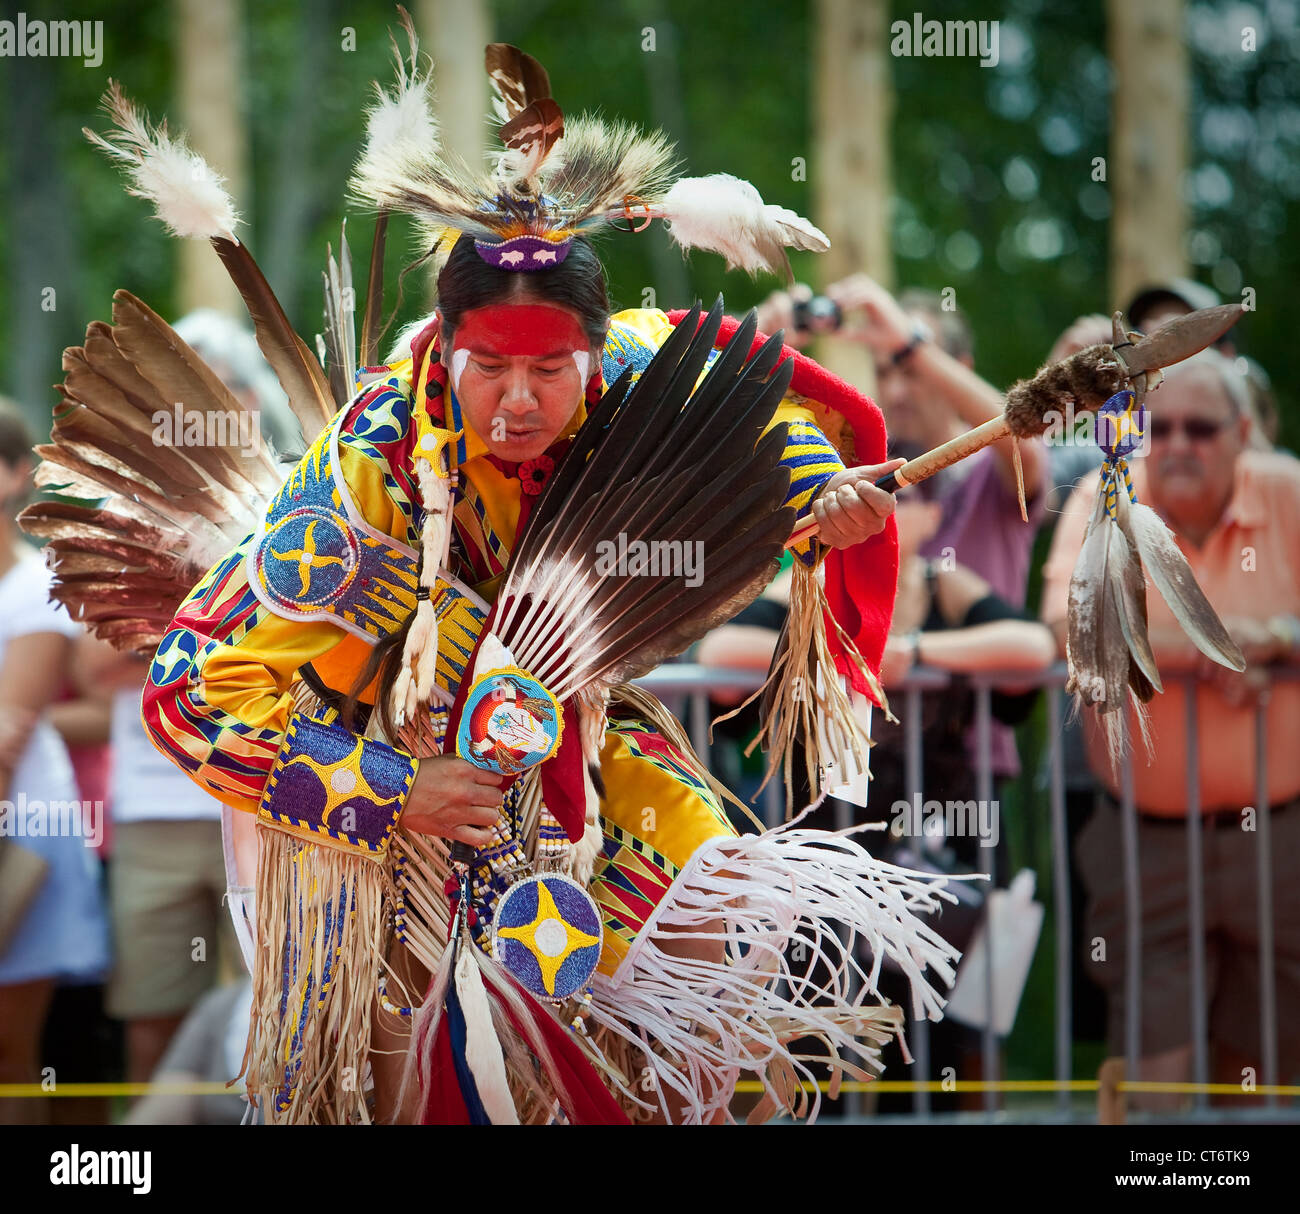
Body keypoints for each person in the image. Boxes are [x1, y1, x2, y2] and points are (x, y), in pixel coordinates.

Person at [50, 34, 960, 1125]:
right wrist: (390, 793)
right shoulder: (365, 472)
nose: (519, 400)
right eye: (491, 368)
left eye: (546, 369)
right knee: (428, 1066)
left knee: (715, 958)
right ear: (448, 350)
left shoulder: (633, 364)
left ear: (593, 349)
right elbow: (190, 691)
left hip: (571, 737)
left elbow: (764, 420)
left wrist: (818, 509)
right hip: (387, 763)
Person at [1041, 348, 1300, 1101]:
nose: (1179, 444)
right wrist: (1216, 645)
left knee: (1271, 1067)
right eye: (1163, 427)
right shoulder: (1104, 494)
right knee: (1153, 1073)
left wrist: (1280, 636)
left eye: (1202, 428)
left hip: (1281, 842)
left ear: (1243, 431)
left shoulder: (1287, 491)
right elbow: (1064, 624)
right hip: (1142, 842)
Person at [0, 400, 111, 1125]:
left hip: (21, 838)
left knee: (10, 1052)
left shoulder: (30, 585)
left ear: (12, 476)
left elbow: (7, 735)